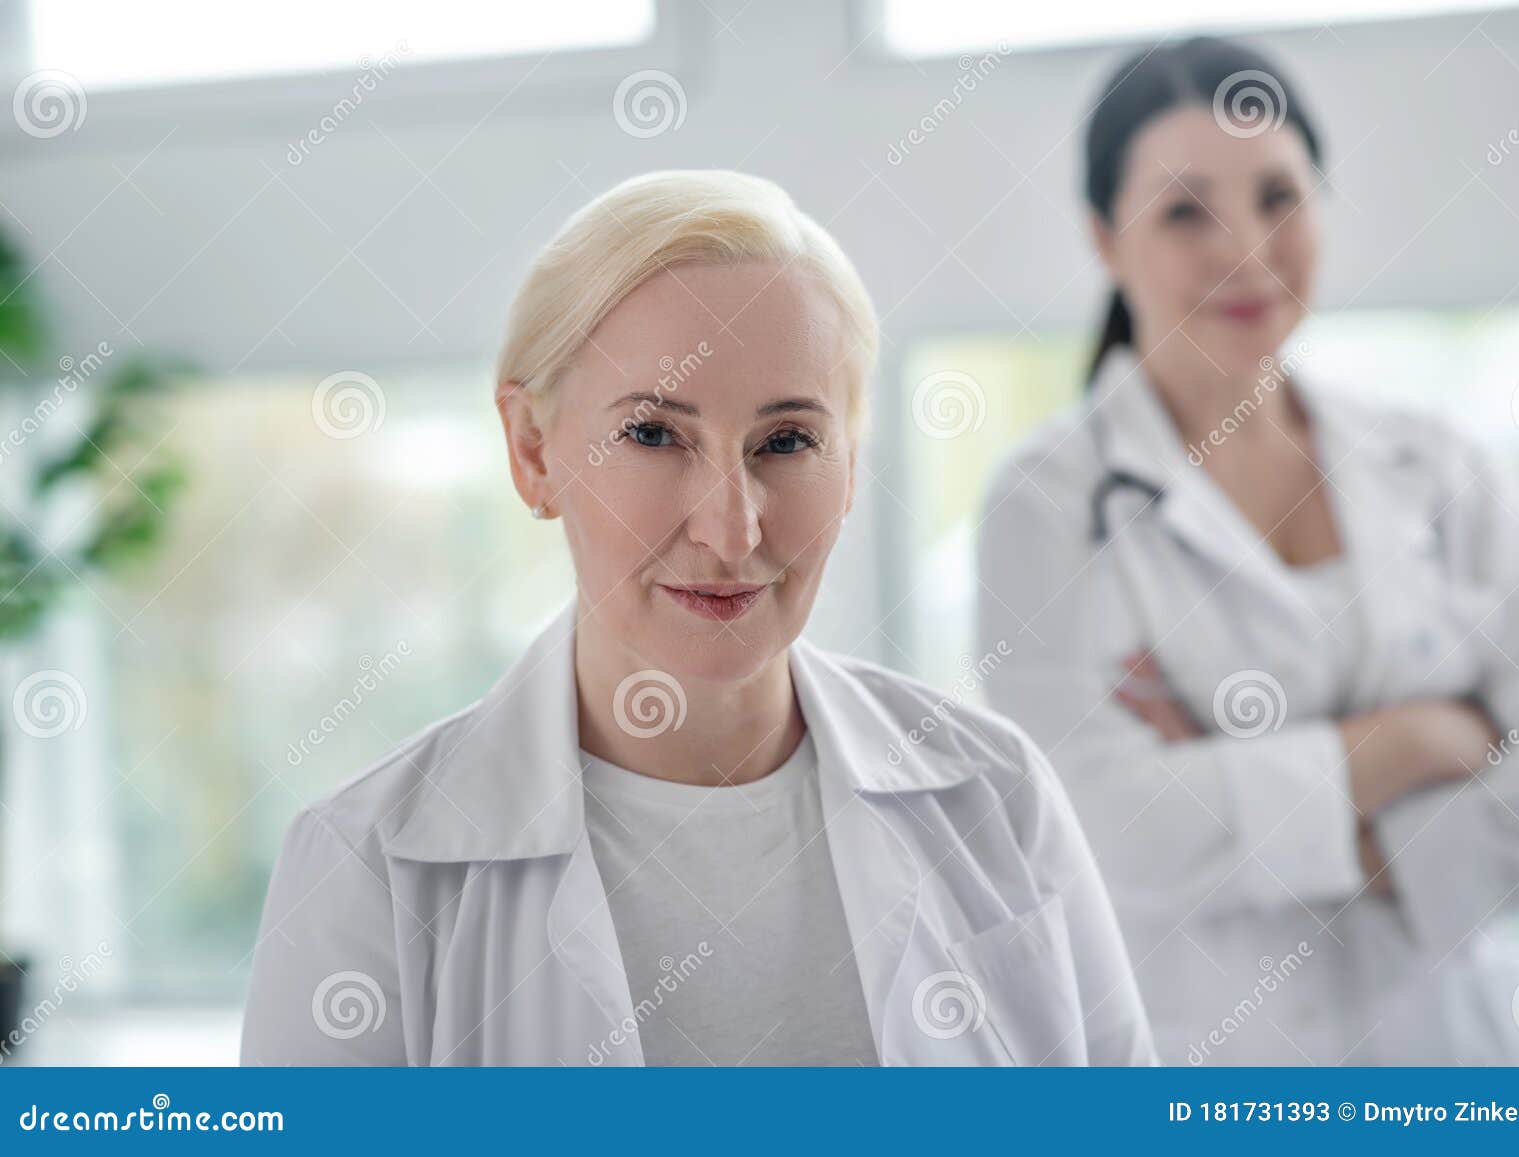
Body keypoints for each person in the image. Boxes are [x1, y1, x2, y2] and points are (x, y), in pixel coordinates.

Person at [241, 169, 1157, 1066]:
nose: (731, 528)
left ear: (851, 458)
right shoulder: (368, 867)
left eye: (788, 441)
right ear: (532, 450)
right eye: (652, 434)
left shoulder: (996, 796)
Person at [977, 37, 1519, 1065]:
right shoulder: (1046, 504)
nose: (1247, 249)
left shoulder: (1439, 469)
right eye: (1185, 210)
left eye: (1278, 196)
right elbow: (1102, 833)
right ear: (1102, 238)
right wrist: (1413, 744)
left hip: (1455, 1062)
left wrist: (1242, 800)